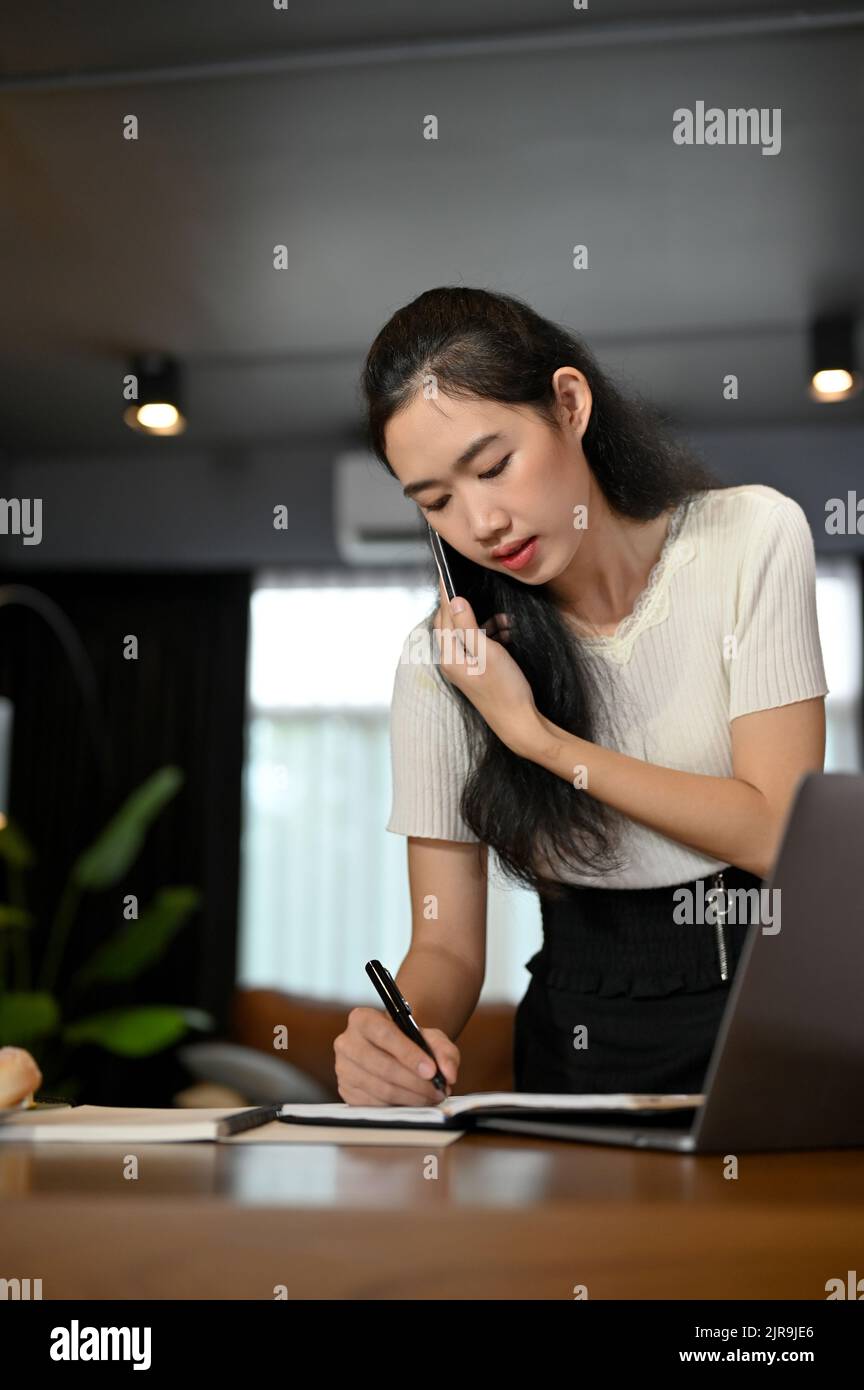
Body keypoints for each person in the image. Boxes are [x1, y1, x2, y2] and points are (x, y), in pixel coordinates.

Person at [332, 285, 828, 1106]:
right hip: (579, 1037)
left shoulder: (750, 539)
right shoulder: (445, 661)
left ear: (569, 404)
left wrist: (537, 739)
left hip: (771, 1011)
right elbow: (447, 950)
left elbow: (778, 833)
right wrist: (399, 1038)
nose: (482, 521)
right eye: (438, 503)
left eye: (493, 466)